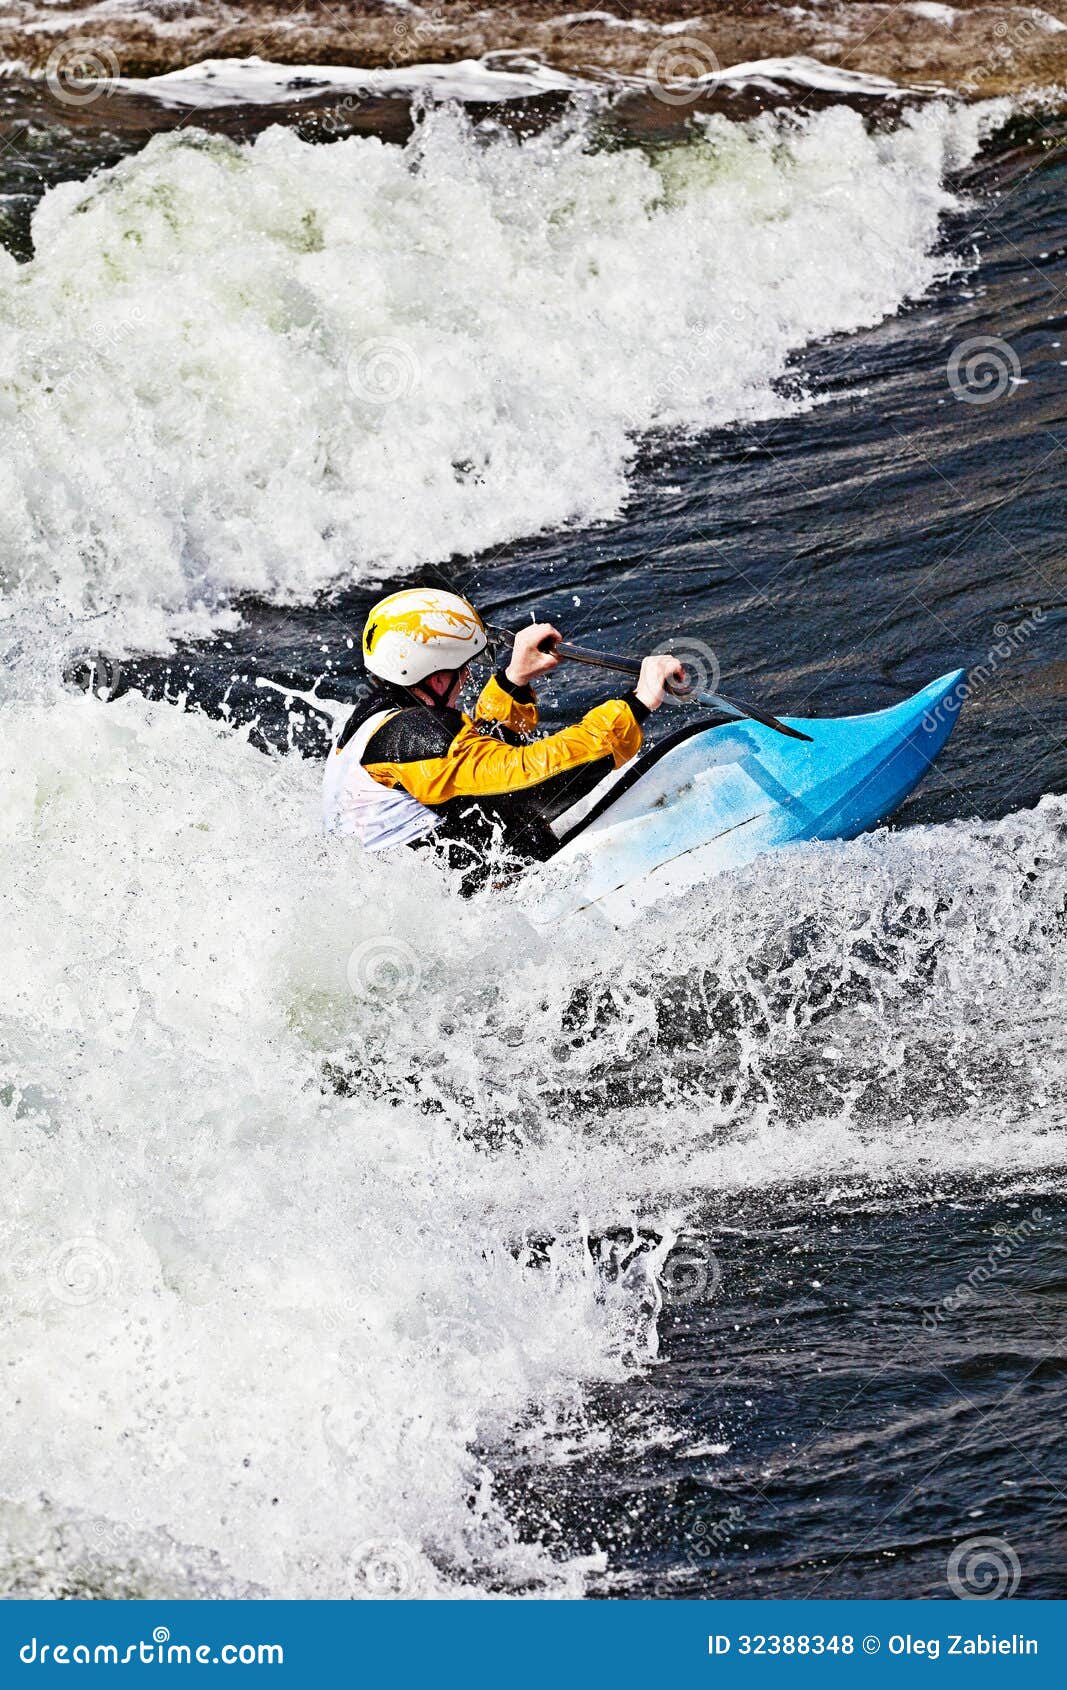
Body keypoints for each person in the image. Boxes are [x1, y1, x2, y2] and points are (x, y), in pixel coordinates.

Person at [322, 587, 683, 886]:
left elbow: (476, 764)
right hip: (468, 917)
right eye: (461, 669)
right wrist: (637, 705)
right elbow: (528, 782)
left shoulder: (372, 725)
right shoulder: (411, 735)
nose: (466, 677)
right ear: (435, 676)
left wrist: (514, 680)